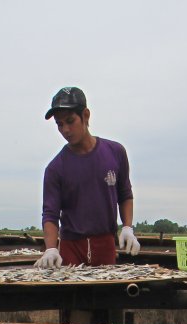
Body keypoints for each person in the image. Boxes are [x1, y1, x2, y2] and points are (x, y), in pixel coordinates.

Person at [36, 86, 140, 269]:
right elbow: (50, 214)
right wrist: (51, 248)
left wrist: (127, 227)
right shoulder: (55, 168)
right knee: (72, 296)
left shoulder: (115, 153)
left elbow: (125, 194)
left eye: (70, 121)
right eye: (59, 124)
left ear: (85, 115)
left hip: (106, 243)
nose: (65, 130)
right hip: (71, 247)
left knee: (106, 295)